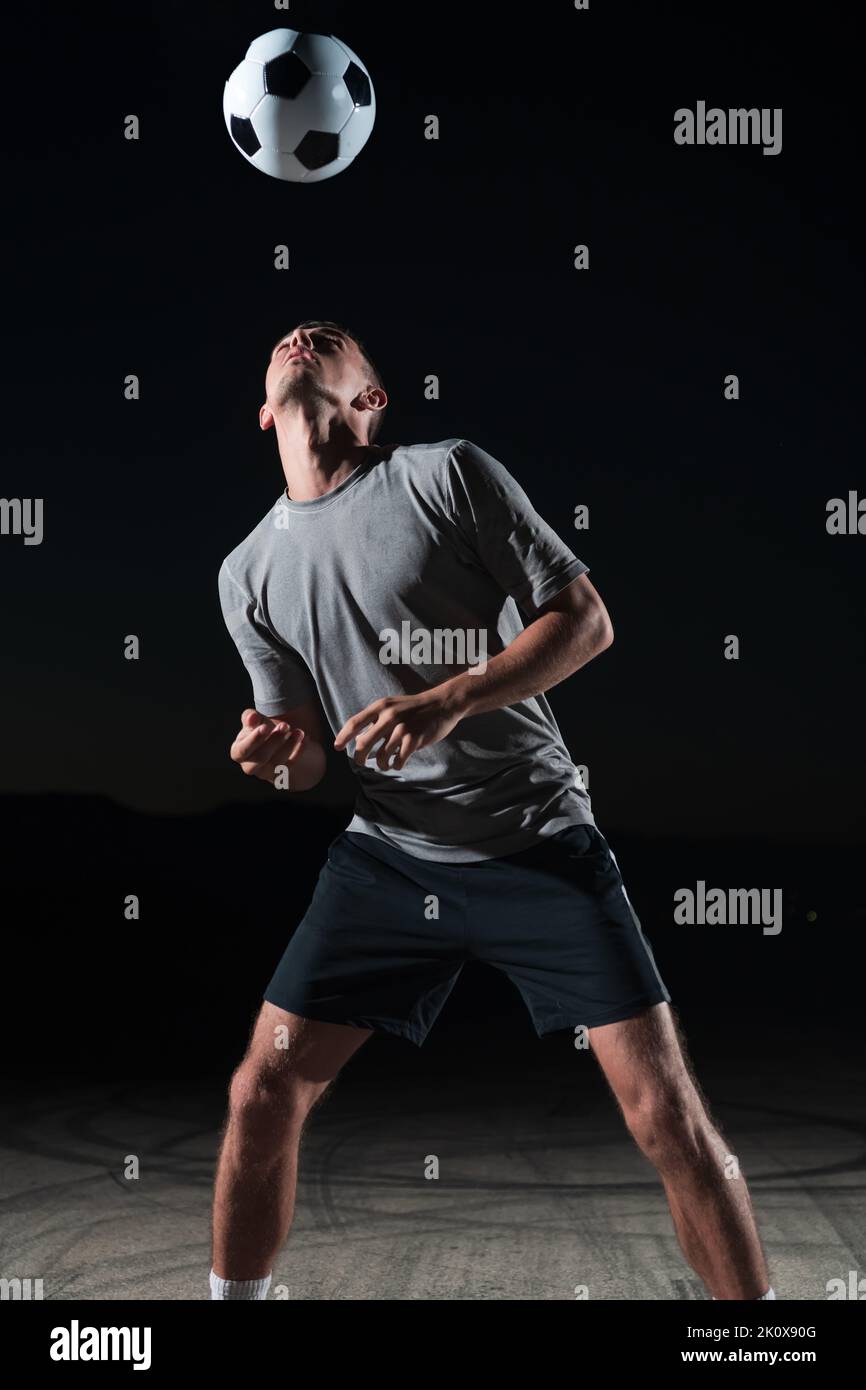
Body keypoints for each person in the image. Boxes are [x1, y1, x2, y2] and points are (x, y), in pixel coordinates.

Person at [212, 319, 774, 1302]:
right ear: (265, 411)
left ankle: (760, 1333)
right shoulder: (247, 572)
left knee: (663, 1115)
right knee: (261, 1092)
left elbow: (586, 621)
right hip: (388, 856)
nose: (304, 336)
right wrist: (275, 760)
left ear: (369, 399)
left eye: (330, 339)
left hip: (537, 841)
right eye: (289, 339)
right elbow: (304, 762)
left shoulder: (444, 475)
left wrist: (448, 698)